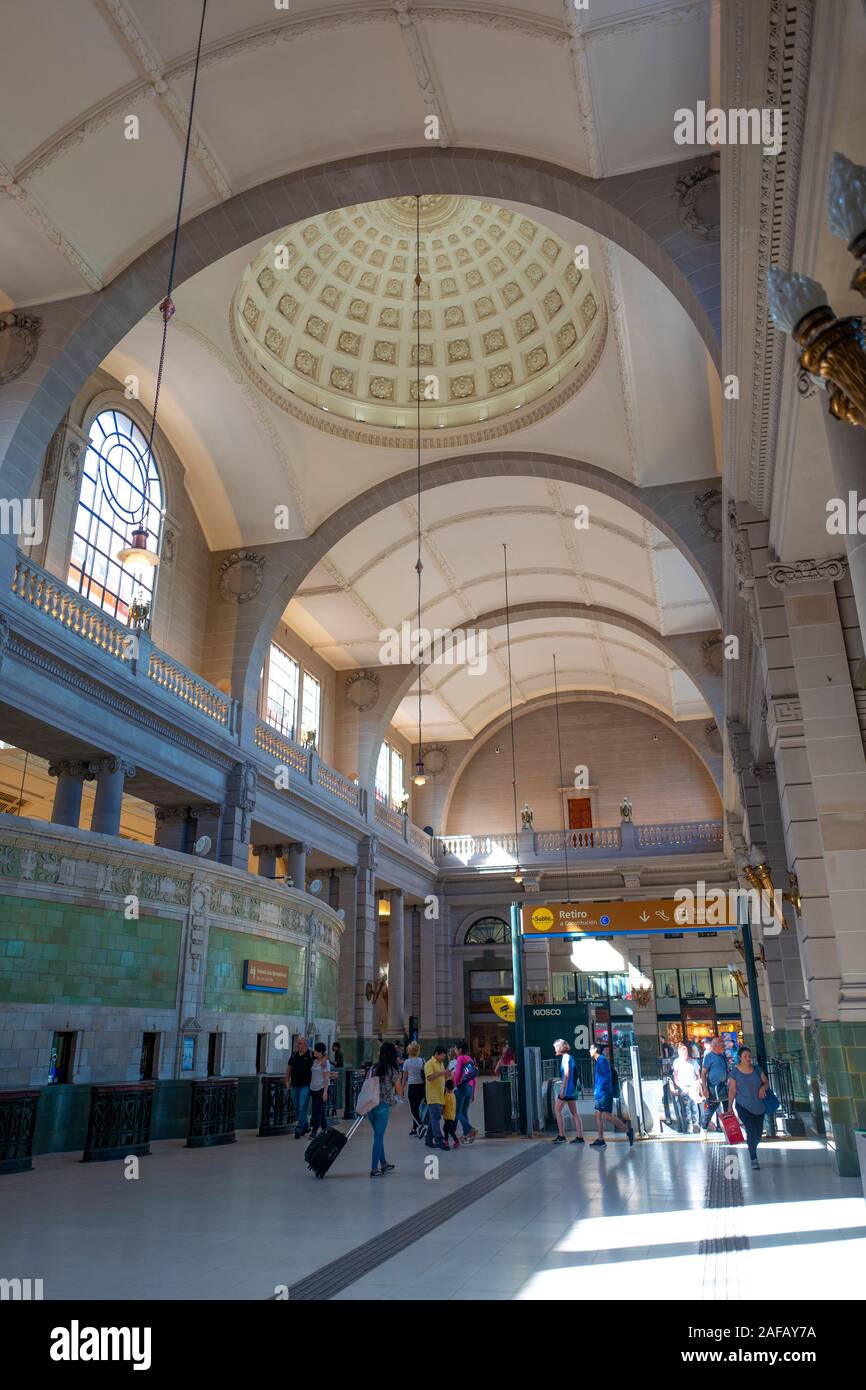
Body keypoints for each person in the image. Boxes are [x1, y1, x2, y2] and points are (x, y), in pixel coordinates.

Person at [365, 1041, 404, 1177]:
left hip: (370, 1106)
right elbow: (399, 1091)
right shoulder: (392, 1070)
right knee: (379, 1137)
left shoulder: (373, 1068)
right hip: (382, 1106)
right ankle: (374, 1168)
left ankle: (384, 1164)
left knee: (378, 1136)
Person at [727, 1046, 769, 1170]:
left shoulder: (757, 1070)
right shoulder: (735, 1072)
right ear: (740, 1058)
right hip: (743, 1106)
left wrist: (763, 1088)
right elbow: (732, 1089)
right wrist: (730, 1106)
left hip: (758, 1106)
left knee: (758, 1133)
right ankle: (753, 1158)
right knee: (751, 1130)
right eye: (745, 1056)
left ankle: (752, 1146)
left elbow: (766, 1082)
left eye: (749, 1056)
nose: (748, 1058)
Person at [588, 1042, 634, 1149]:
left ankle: (628, 1130)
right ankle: (601, 1139)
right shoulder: (599, 1061)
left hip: (603, 1093)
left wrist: (599, 1092)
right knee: (598, 1115)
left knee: (607, 1116)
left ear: (595, 1050)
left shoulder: (602, 1061)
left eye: (591, 1049)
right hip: (601, 1093)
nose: (589, 1051)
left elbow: (605, 1079)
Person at [551, 1038, 584, 1145]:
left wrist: (562, 1089)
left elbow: (566, 1074)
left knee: (557, 1111)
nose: (555, 1048)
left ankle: (561, 1135)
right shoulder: (570, 1057)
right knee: (575, 1113)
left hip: (566, 1090)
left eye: (556, 1047)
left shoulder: (565, 1058)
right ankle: (580, 1137)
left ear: (560, 1047)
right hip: (572, 1089)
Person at [700, 1036, 730, 1139]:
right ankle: (703, 1128)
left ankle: (729, 1132)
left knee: (727, 1109)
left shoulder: (722, 1056)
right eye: (722, 1044)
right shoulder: (708, 1056)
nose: (724, 1046)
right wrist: (704, 1088)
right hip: (714, 1088)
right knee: (711, 1109)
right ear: (715, 1045)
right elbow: (703, 1073)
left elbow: (726, 1070)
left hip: (724, 1087)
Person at [286, 1035, 314, 1139]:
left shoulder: (310, 1056)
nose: (298, 1045)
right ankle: (306, 1125)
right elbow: (289, 1068)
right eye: (297, 1043)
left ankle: (299, 1128)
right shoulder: (294, 1055)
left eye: (300, 1043)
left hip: (305, 1086)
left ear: (306, 1045)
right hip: (295, 1085)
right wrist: (287, 1080)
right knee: (297, 1106)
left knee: (303, 1106)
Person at [424, 1045, 450, 1151]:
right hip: (433, 1096)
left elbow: (442, 1077)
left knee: (433, 1119)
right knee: (436, 1119)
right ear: (437, 1054)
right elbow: (429, 1078)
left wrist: (447, 1074)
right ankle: (439, 1140)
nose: (444, 1058)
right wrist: (442, 1073)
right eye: (443, 1056)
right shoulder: (429, 1064)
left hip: (440, 1095)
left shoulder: (441, 1063)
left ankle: (428, 1139)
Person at [671, 1041, 700, 1133]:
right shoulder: (677, 1062)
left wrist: (697, 1085)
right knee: (686, 1107)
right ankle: (689, 1125)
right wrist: (680, 1086)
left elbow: (698, 1075)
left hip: (692, 1086)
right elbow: (675, 1077)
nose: (683, 1055)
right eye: (681, 1053)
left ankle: (696, 1124)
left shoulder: (693, 1062)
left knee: (694, 1106)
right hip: (683, 1086)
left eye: (685, 1053)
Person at [453, 1040, 478, 1143]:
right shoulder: (470, 1059)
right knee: (464, 1111)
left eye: (455, 1048)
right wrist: (473, 1093)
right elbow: (474, 1077)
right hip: (470, 1087)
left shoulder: (460, 1058)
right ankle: (466, 1134)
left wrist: (454, 1085)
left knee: (457, 1112)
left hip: (462, 1087)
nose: (455, 1050)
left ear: (459, 1049)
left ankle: (469, 1129)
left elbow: (458, 1072)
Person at [402, 1041, 426, 1136]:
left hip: (412, 1087)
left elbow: (404, 1078)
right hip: (421, 1087)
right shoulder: (423, 1061)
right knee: (419, 1108)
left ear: (409, 1051)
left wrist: (402, 1090)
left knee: (413, 1109)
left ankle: (420, 1126)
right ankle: (414, 1129)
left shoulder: (406, 1062)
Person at [309, 1042, 332, 1139]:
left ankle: (314, 1131)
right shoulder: (315, 1061)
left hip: (322, 1088)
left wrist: (325, 1092)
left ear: (321, 1052)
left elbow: (326, 1077)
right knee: (319, 1110)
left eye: (316, 1050)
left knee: (317, 1110)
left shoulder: (325, 1062)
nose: (314, 1051)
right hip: (314, 1088)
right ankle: (326, 1129)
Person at [442, 1078, 459, 1148]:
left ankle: (455, 1140)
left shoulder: (446, 1096)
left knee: (449, 1129)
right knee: (446, 1128)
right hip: (452, 1115)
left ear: (445, 1088)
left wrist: (441, 1111)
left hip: (447, 1116)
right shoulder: (453, 1095)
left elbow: (443, 1104)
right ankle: (446, 1140)